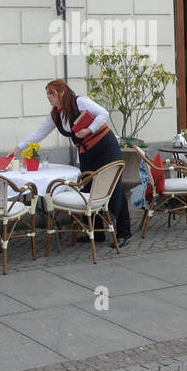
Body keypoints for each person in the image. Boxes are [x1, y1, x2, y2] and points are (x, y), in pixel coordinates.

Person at [15, 79, 131, 247]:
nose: (48, 97)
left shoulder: (80, 102)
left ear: (61, 92)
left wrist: (88, 129)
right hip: (86, 152)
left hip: (106, 147)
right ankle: (97, 233)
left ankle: (124, 232)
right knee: (89, 187)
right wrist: (18, 148)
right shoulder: (56, 114)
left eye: (51, 93)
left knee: (113, 187)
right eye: (47, 94)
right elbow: (40, 132)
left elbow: (103, 113)